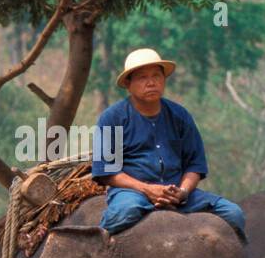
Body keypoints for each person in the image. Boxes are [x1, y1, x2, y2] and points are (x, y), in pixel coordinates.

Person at [91, 47, 245, 241]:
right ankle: (98, 247)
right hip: (132, 194)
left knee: (233, 213)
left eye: (157, 76)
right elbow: (108, 173)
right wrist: (147, 189)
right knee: (124, 212)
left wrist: (182, 192)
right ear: (128, 85)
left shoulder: (180, 115)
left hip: (177, 192)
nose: (151, 82)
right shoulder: (112, 117)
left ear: (164, 80)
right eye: (142, 78)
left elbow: (194, 166)